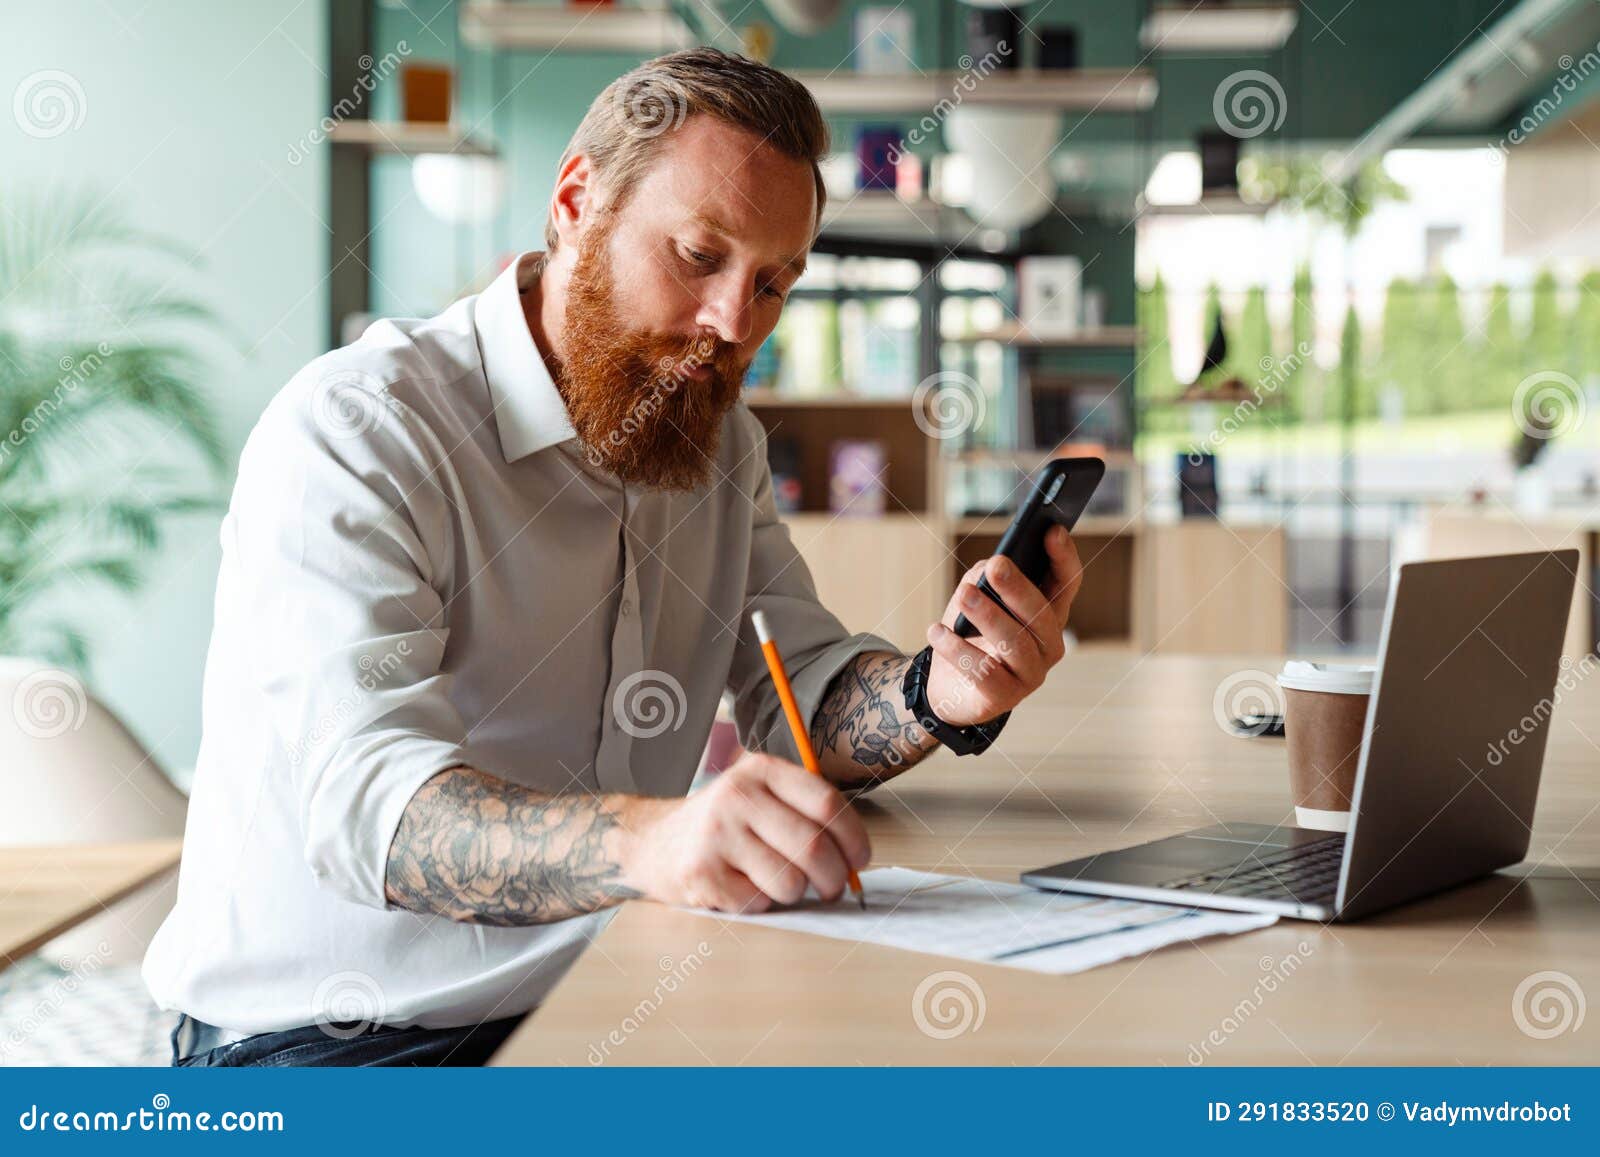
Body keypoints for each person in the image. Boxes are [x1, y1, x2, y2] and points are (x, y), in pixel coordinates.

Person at [144, 47, 1083, 1067]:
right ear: (577, 200)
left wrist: (939, 687)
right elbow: (375, 814)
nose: (734, 323)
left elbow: (798, 694)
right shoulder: (359, 431)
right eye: (698, 255)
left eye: (773, 282)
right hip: (338, 1041)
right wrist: (653, 840)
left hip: (611, 985)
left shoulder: (718, 445)